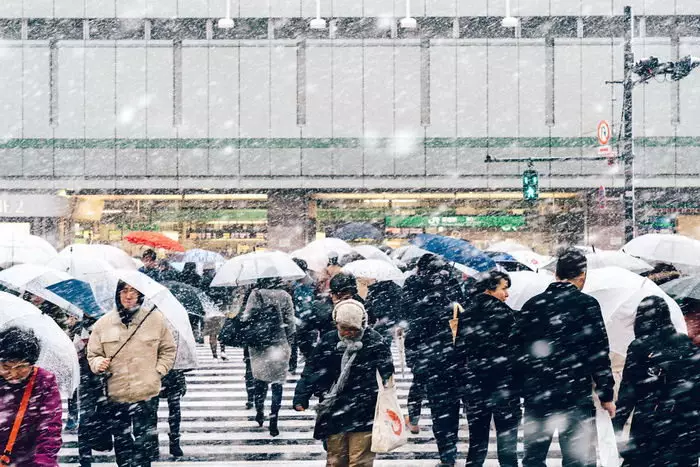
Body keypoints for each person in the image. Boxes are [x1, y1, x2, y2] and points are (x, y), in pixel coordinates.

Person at [515, 248, 616, 467]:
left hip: (539, 391)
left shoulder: (533, 305)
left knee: (534, 456)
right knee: (577, 456)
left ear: (556, 274)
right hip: (575, 391)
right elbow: (599, 352)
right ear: (582, 276)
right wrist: (606, 393)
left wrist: (522, 387)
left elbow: (518, 351)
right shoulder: (587, 305)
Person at [293, 299, 394, 467]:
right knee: (336, 458)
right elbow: (312, 369)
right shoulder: (329, 340)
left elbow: (387, 371)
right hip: (335, 407)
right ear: (336, 323)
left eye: (353, 329)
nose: (348, 333)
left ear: (362, 324)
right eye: (343, 328)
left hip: (364, 408)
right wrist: (301, 397)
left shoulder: (374, 340)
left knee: (360, 460)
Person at [87, 280, 177, 467]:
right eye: (124, 291)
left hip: (147, 392)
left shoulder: (155, 320)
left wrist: (158, 371)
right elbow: (93, 354)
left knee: (145, 442)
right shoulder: (103, 324)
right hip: (116, 393)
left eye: (134, 292)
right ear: (118, 295)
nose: (129, 296)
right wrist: (98, 363)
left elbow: (168, 349)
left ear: (140, 295)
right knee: (122, 442)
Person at [613, 296, 700, 466]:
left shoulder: (639, 346)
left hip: (650, 419)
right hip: (684, 421)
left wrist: (617, 423)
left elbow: (629, 390)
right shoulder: (686, 344)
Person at [402, 254, 466, 467]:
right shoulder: (455, 294)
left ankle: (446, 455)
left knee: (440, 414)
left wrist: (416, 361)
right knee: (450, 412)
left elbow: (413, 334)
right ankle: (450, 453)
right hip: (453, 362)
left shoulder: (419, 297)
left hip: (431, 362)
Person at [457, 271, 521, 467]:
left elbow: (460, 351)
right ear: (490, 289)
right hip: (504, 386)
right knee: (507, 442)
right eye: (504, 289)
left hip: (475, 385)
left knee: (477, 441)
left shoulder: (467, 314)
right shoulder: (507, 316)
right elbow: (516, 352)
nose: (507, 294)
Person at [240, 276, 296, 437]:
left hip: (258, 345)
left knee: (260, 380)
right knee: (277, 383)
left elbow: (246, 318)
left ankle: (259, 410)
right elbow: (290, 322)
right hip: (279, 344)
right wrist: (289, 340)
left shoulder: (255, 294)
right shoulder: (284, 295)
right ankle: (274, 419)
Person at [0, 327, 62, 467]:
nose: (13, 373)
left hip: (29, 459)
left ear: (32, 364)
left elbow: (50, 427)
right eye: (6, 366)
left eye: (21, 367)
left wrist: (45, 462)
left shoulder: (44, 381)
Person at [289, 258, 316, 373]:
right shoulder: (310, 281)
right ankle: (306, 363)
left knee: (296, 342)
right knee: (303, 343)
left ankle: (294, 365)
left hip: (300, 317)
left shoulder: (300, 283)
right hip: (306, 318)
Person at [364, 278, 403, 345]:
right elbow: (399, 305)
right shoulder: (396, 288)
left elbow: (368, 306)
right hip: (390, 320)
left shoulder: (374, 289)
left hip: (380, 320)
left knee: (379, 342)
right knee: (385, 342)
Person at [158, 370, 187, 458]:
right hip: (172, 374)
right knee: (174, 410)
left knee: (151, 410)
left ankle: (152, 444)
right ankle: (174, 443)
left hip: (155, 373)